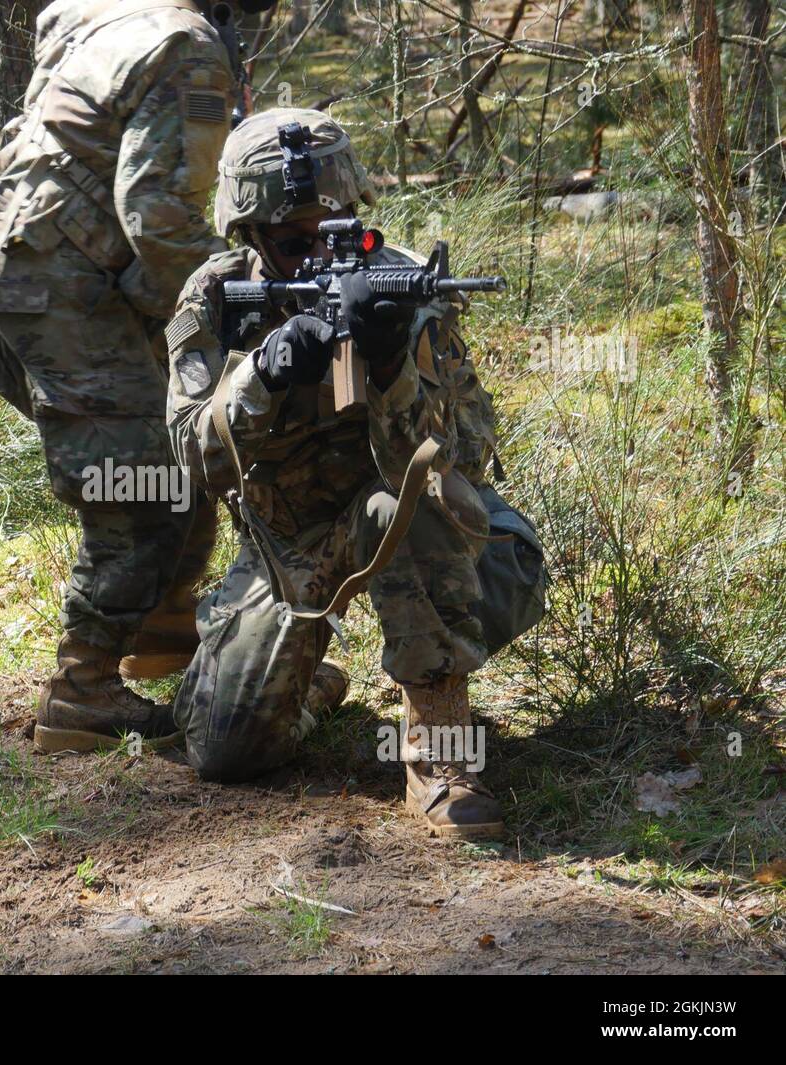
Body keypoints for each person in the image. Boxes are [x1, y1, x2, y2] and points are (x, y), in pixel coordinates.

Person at [164, 108, 545, 839]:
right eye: (290, 242)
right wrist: (268, 370)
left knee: (421, 498)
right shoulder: (213, 300)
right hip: (291, 548)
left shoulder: (402, 288)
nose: (315, 255)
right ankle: (318, 678)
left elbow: (461, 456)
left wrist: (395, 364)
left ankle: (439, 753)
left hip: (407, 519)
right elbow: (193, 459)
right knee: (225, 748)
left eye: (333, 231)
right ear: (246, 235)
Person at [0, 0, 277, 754]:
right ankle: (84, 687)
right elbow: (157, 217)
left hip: (14, 267)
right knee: (135, 482)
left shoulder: (108, 21)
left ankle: (165, 632)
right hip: (65, 285)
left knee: (176, 448)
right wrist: (252, 300)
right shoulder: (189, 49)